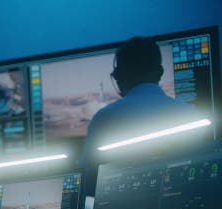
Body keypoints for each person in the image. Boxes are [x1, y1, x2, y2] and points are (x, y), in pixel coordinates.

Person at [82, 36, 208, 198]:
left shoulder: (104, 119)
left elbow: (88, 184)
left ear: (119, 76)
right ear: (160, 73)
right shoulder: (193, 116)